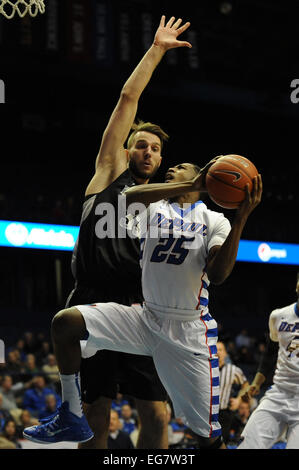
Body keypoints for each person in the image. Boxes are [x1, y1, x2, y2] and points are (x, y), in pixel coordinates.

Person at [23, 159, 262, 448]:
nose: (172, 169)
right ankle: (71, 413)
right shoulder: (155, 207)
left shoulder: (214, 220)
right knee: (65, 323)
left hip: (188, 331)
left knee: (208, 440)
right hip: (145, 318)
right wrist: (191, 184)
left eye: (181, 167)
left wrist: (240, 220)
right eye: (170, 169)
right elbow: (128, 197)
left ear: (203, 175)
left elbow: (219, 274)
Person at [48, 14, 193, 451]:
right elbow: (128, 96)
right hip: (92, 300)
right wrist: (157, 50)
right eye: (141, 144)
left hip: (140, 308)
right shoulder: (108, 173)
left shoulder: (163, 205)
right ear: (127, 149)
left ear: (162, 159)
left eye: (155, 148)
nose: (147, 151)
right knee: (96, 413)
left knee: (155, 411)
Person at [237, 272, 299, 449]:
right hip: (279, 393)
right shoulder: (278, 316)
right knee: (248, 445)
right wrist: (255, 383)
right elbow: (270, 354)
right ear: (296, 286)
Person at [216, 341, 249, 444]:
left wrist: (238, 400)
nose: (217, 352)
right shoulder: (205, 370)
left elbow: (246, 385)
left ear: (225, 353)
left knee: (222, 443)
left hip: (224, 413)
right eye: (214, 349)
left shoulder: (233, 370)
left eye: (220, 350)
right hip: (206, 412)